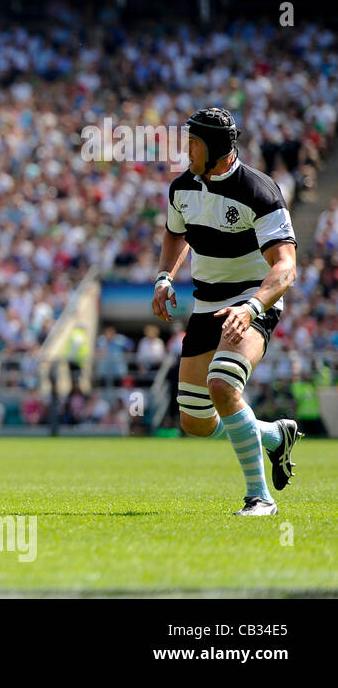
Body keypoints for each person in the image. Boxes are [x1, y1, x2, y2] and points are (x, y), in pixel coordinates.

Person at [154, 107, 301, 516]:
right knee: (194, 420)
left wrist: (253, 306)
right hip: (206, 303)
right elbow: (174, 233)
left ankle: (260, 498)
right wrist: (164, 276)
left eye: (194, 143)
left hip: (253, 300)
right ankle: (274, 436)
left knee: (222, 387)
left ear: (217, 148)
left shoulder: (260, 190)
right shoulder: (182, 188)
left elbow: (285, 266)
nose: (187, 151)